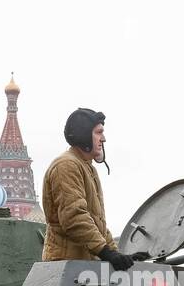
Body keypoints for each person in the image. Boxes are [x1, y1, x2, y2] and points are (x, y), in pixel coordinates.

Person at [40, 108, 145, 269]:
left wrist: (117, 254)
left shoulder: (86, 167)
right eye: (98, 132)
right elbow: (74, 218)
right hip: (64, 265)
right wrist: (105, 252)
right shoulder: (67, 165)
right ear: (84, 136)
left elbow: (96, 222)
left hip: (80, 265)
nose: (103, 139)